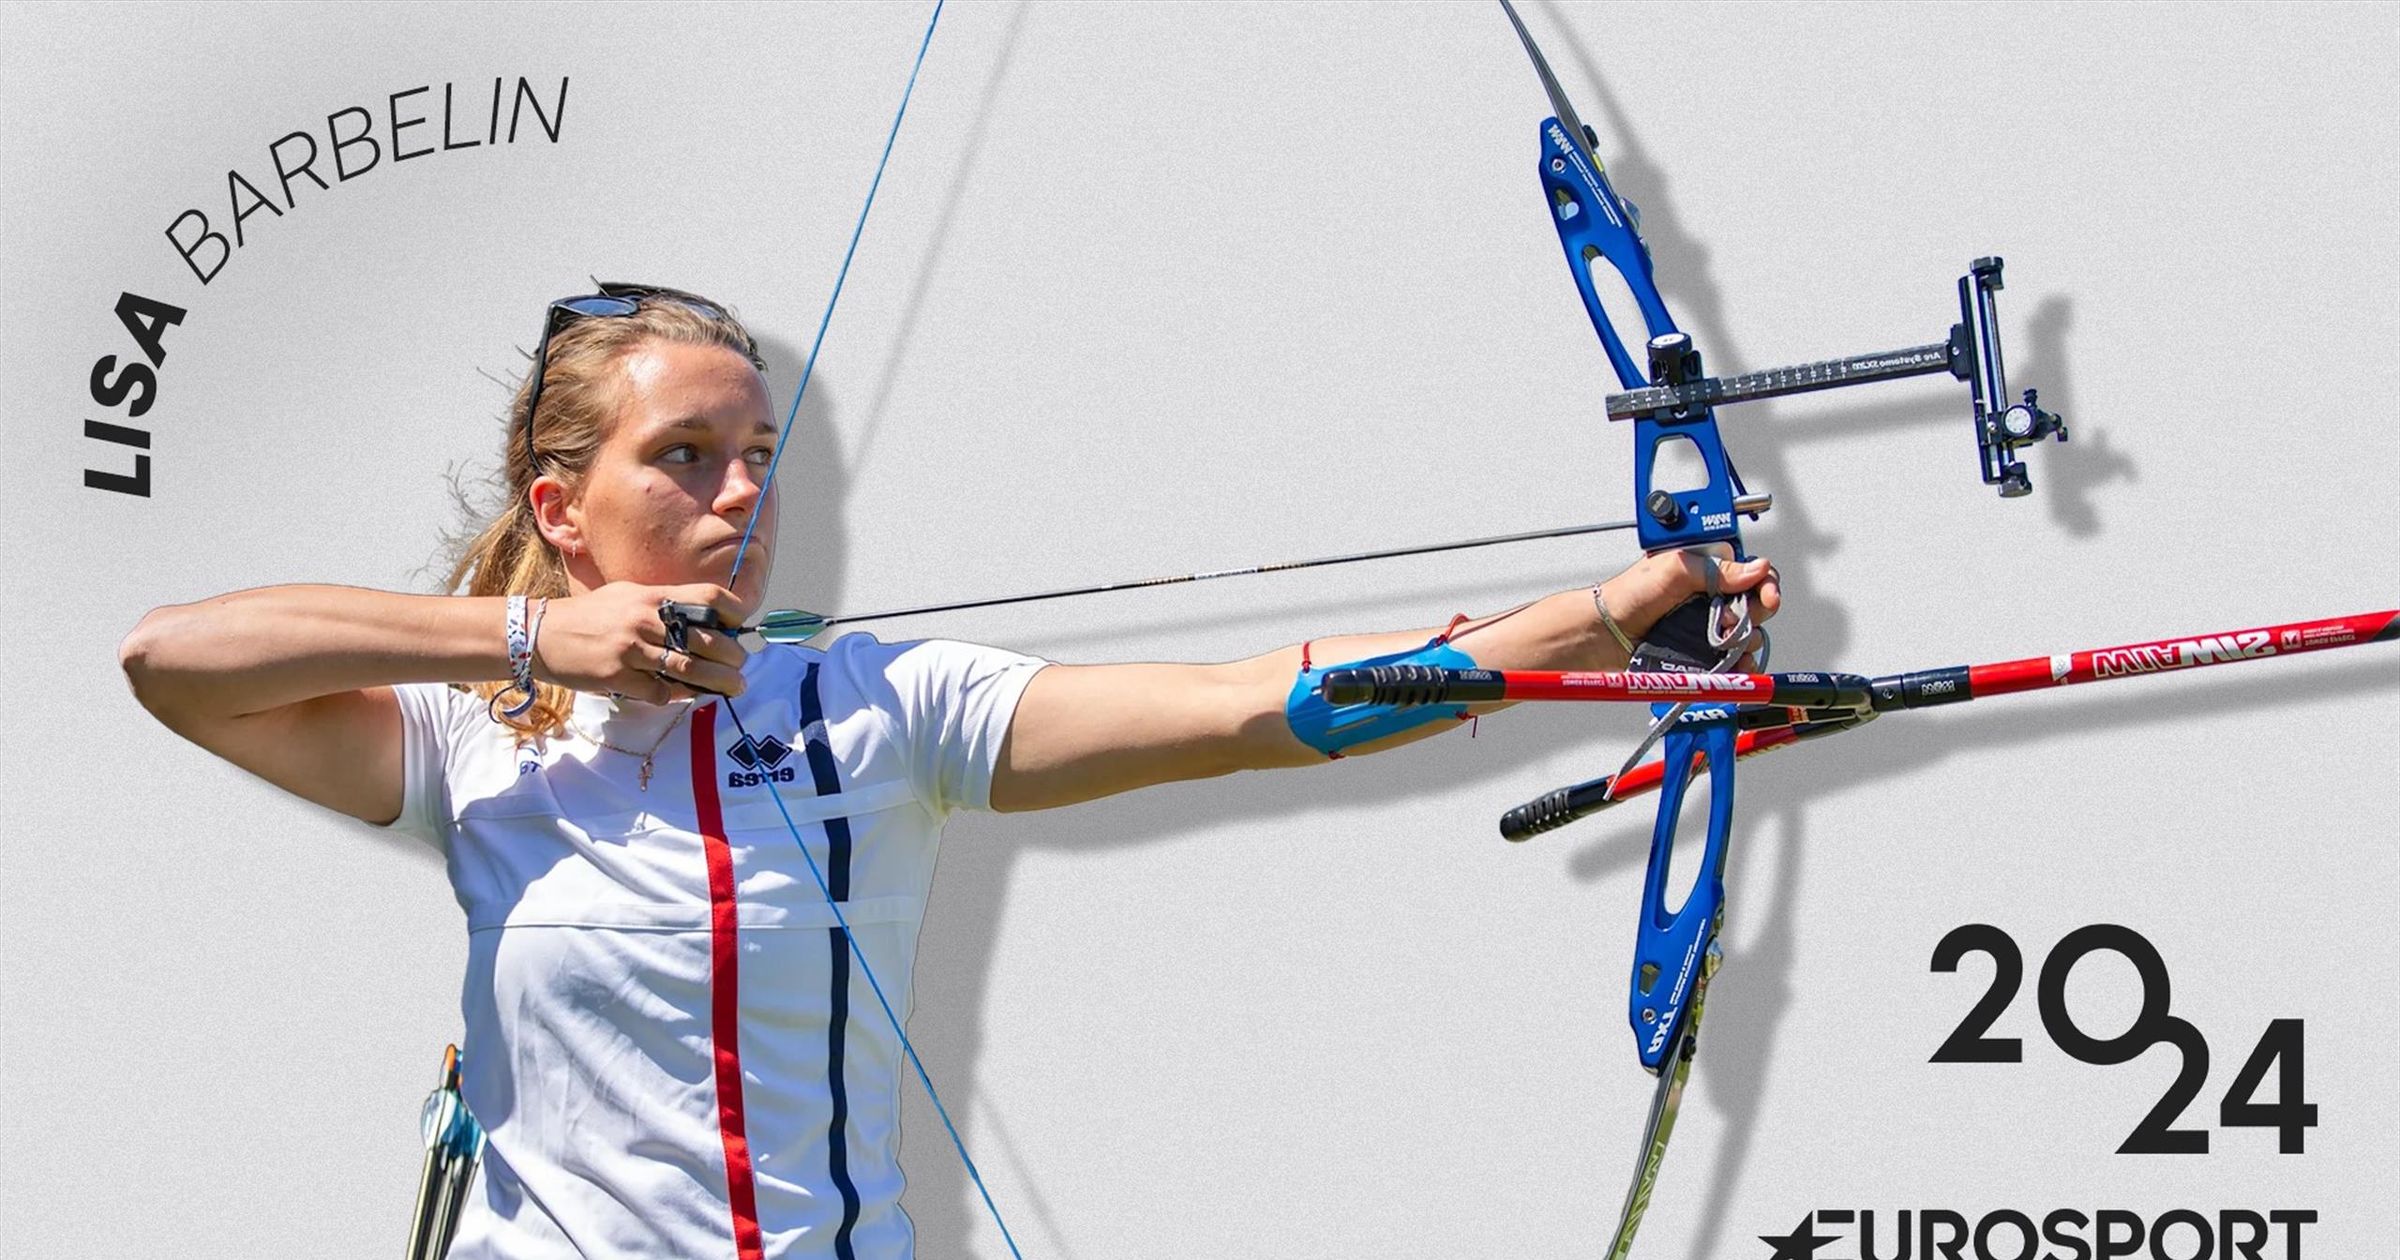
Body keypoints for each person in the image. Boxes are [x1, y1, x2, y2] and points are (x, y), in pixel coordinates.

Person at [116, 286, 1779, 1258]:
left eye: (757, 459)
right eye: (683, 459)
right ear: (563, 505)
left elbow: (1266, 705)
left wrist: (1614, 613)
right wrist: (533, 646)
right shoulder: (466, 732)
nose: (738, 498)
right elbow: (171, 657)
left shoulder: (875, 703)